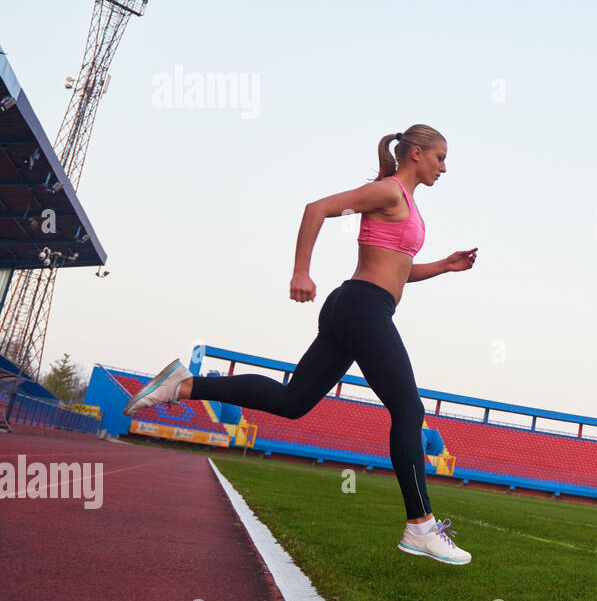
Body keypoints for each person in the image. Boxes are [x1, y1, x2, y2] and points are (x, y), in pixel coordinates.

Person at [125, 124, 478, 565]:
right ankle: (420, 526)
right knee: (409, 411)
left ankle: (184, 385)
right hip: (361, 307)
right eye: (440, 157)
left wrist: (443, 266)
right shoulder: (388, 192)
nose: (444, 167)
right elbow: (316, 209)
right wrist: (300, 271)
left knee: (293, 402)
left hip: (358, 308)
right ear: (417, 154)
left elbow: (399, 270)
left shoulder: (405, 203)